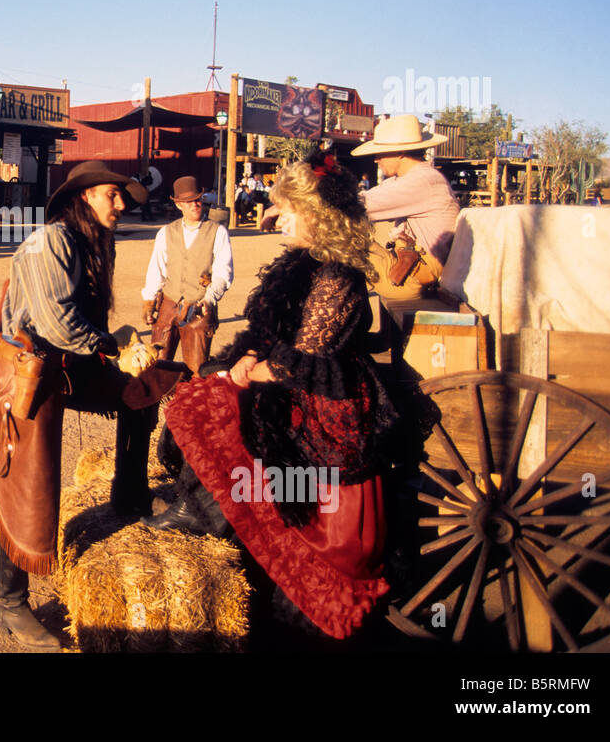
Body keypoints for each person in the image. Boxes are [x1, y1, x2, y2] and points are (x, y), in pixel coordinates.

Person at [144, 149, 426, 645]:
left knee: (228, 408)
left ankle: (222, 521)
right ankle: (208, 510)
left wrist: (250, 372)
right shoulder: (303, 265)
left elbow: (307, 360)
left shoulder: (338, 276)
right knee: (202, 392)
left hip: (323, 402)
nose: (276, 216)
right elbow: (269, 330)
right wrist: (242, 359)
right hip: (291, 382)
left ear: (316, 216)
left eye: (287, 209)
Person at [0, 160, 185, 648]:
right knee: (30, 482)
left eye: (121, 197)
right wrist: (116, 345)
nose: (121, 204)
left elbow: (82, 328)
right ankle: (9, 600)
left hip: (70, 359)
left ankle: (130, 493)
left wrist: (121, 349)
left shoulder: (97, 240)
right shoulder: (51, 241)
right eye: (112, 195)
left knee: (142, 389)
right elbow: (55, 323)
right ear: (84, 196)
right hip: (29, 368)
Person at [351, 114, 460, 300]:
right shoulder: (415, 178)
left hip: (409, 279)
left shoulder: (421, 181)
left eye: (381, 153)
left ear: (400, 152)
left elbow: (354, 205)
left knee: (334, 235)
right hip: (406, 269)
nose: (377, 159)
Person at [141, 175, 234, 375]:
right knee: (156, 366)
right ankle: (159, 406)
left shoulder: (218, 232)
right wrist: (149, 302)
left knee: (196, 370)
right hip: (168, 303)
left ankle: (190, 405)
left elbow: (223, 274)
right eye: (189, 201)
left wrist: (209, 299)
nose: (196, 204)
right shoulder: (166, 232)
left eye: (198, 199)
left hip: (198, 306)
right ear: (179, 205)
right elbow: (156, 269)